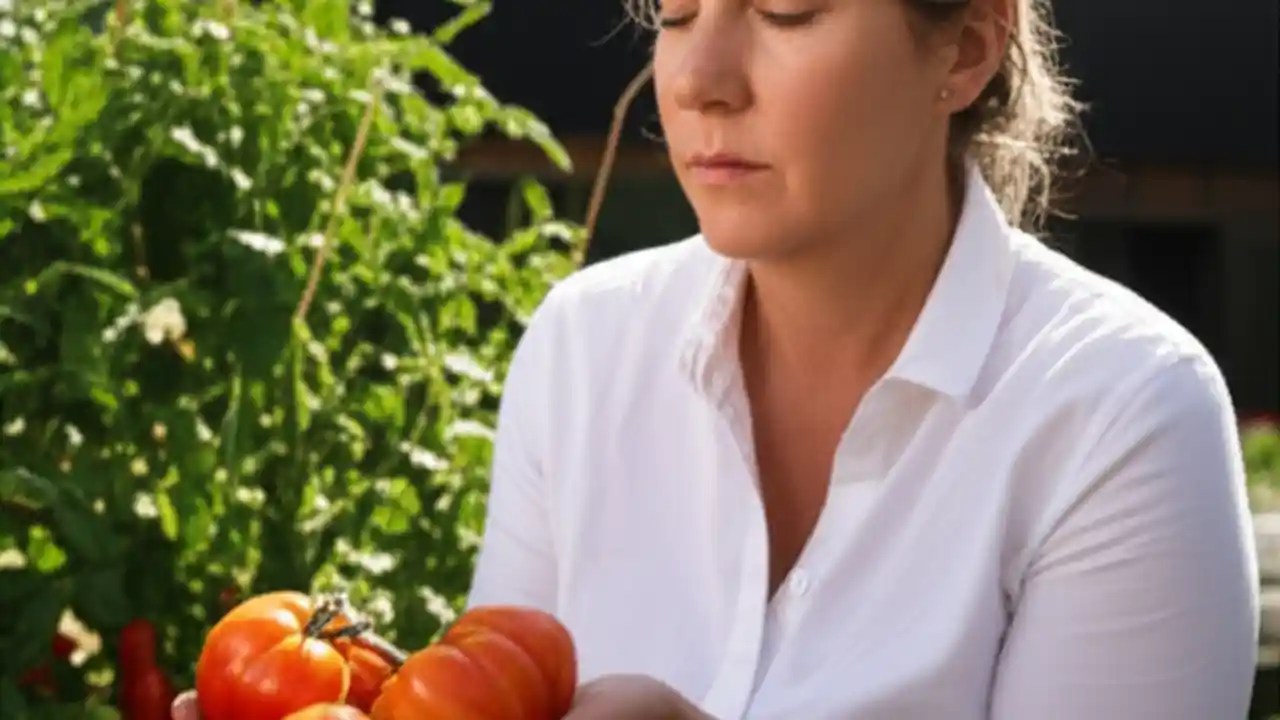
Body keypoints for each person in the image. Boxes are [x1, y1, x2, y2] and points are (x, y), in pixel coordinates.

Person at [175, 0, 1261, 717]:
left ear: (967, 47)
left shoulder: (1117, 408)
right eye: (676, 9)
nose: (696, 77)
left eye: (785, 9)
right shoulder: (583, 345)